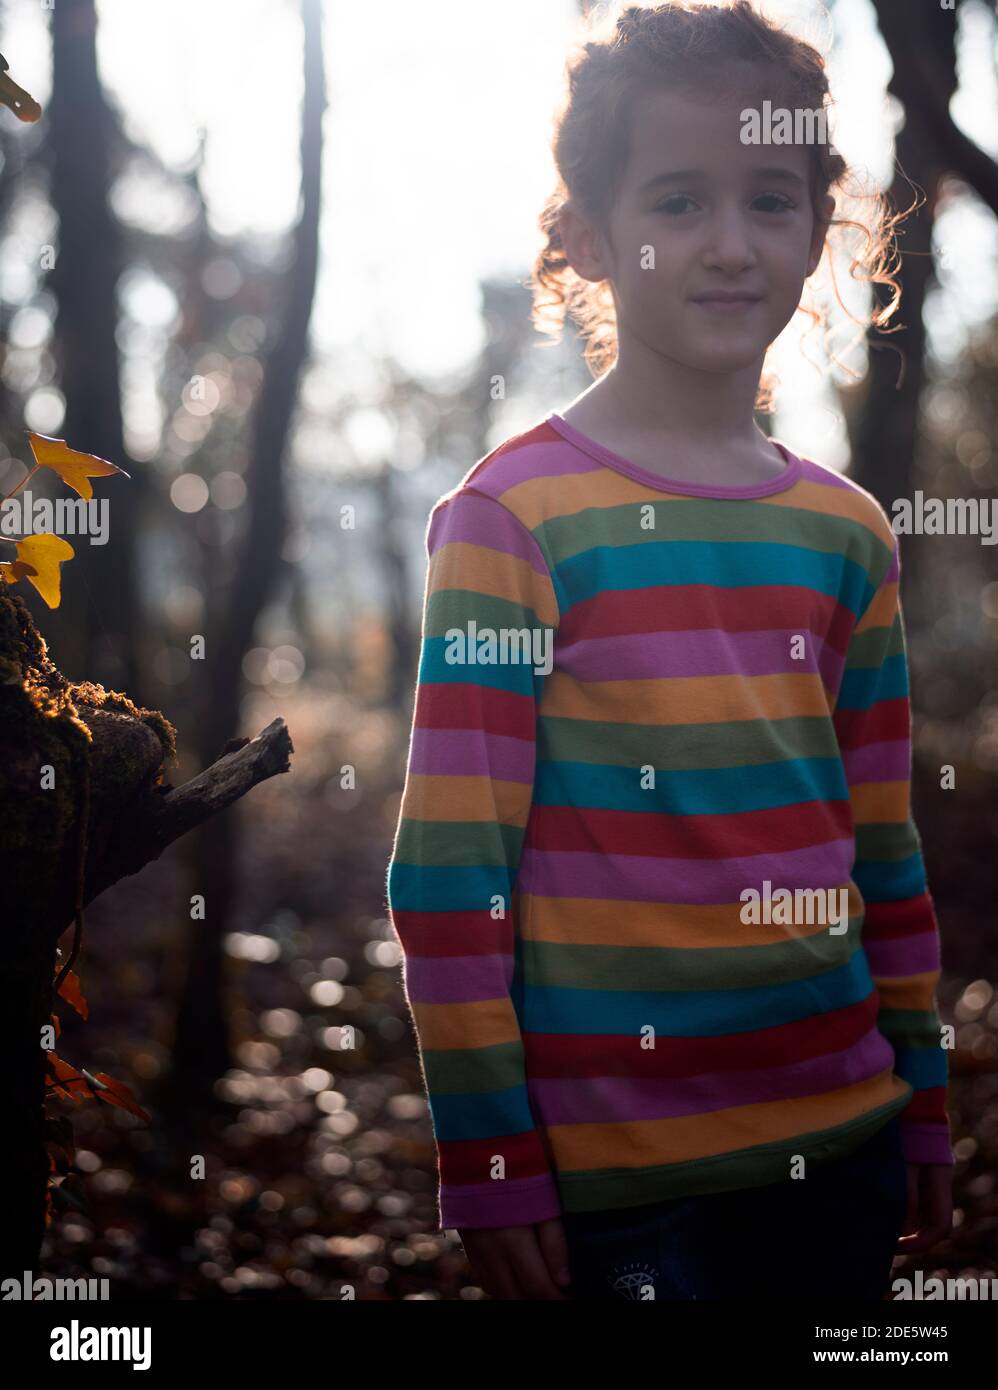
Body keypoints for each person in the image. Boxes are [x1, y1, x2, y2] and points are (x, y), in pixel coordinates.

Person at [385, 0, 954, 1301]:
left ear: (822, 226)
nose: (728, 243)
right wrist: (485, 1148)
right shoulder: (510, 519)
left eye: (768, 199)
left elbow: (880, 846)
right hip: (623, 1193)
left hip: (843, 1148)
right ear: (584, 234)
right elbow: (445, 870)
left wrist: (917, 1090)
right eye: (678, 199)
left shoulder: (847, 534)